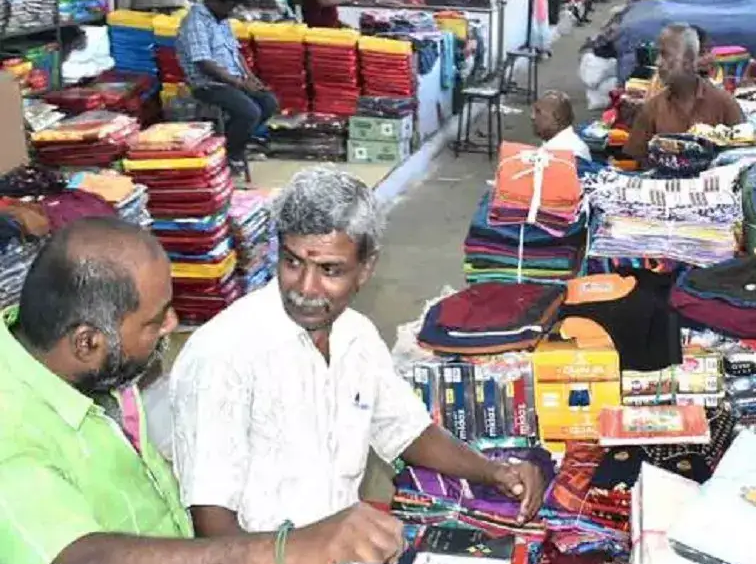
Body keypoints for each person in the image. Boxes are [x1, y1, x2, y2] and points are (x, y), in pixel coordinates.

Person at [0, 217, 407, 564]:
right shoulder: (11, 433)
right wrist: (287, 549)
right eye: (154, 321)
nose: (171, 323)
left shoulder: (91, 369)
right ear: (87, 342)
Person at [170, 168, 548, 539]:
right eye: (293, 262)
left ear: (366, 269)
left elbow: (406, 430)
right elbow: (213, 529)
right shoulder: (222, 357)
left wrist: (494, 471)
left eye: (329, 270)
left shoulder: (357, 336)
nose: (306, 287)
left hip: (337, 558)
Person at [177, 0, 278, 171]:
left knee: (269, 102)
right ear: (216, 1)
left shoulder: (221, 20)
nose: (231, 12)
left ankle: (234, 142)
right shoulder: (195, 22)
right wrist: (239, 84)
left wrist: (250, 77)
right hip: (209, 84)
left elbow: (235, 52)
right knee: (249, 112)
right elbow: (204, 63)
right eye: (230, 7)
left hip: (233, 80)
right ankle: (231, 152)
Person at [624, 23, 745, 165]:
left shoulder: (724, 104)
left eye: (665, 55)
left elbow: (744, 159)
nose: (657, 62)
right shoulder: (652, 108)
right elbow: (635, 162)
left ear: (688, 61)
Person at [532, 91, 590, 161]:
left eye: (538, 112)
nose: (533, 117)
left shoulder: (568, 153)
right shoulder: (556, 144)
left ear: (558, 117)